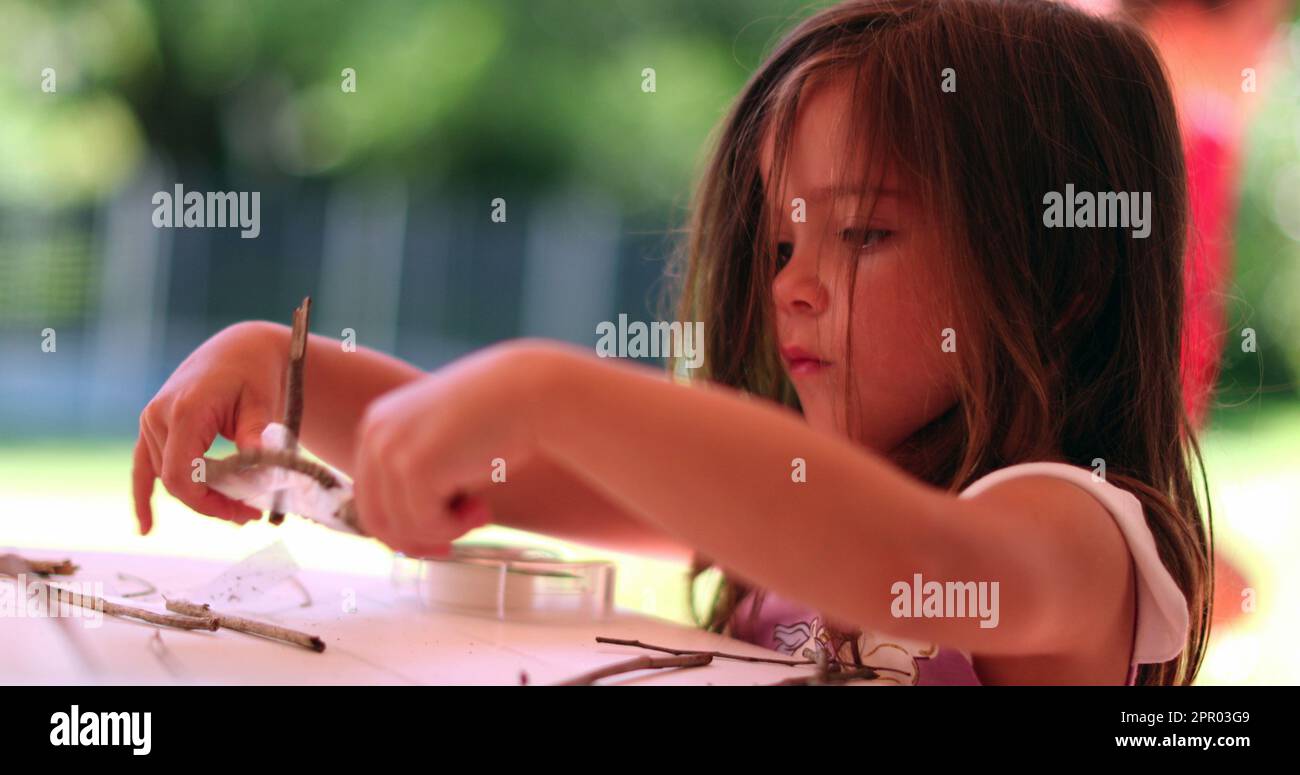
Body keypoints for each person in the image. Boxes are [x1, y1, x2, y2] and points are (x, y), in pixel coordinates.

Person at [133, 0, 1211, 685]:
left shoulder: (1075, 531)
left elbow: (920, 567)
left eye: (864, 231)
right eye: (781, 241)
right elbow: (511, 472)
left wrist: (549, 390)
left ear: (1062, 277)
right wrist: (284, 366)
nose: (788, 286)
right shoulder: (785, 503)